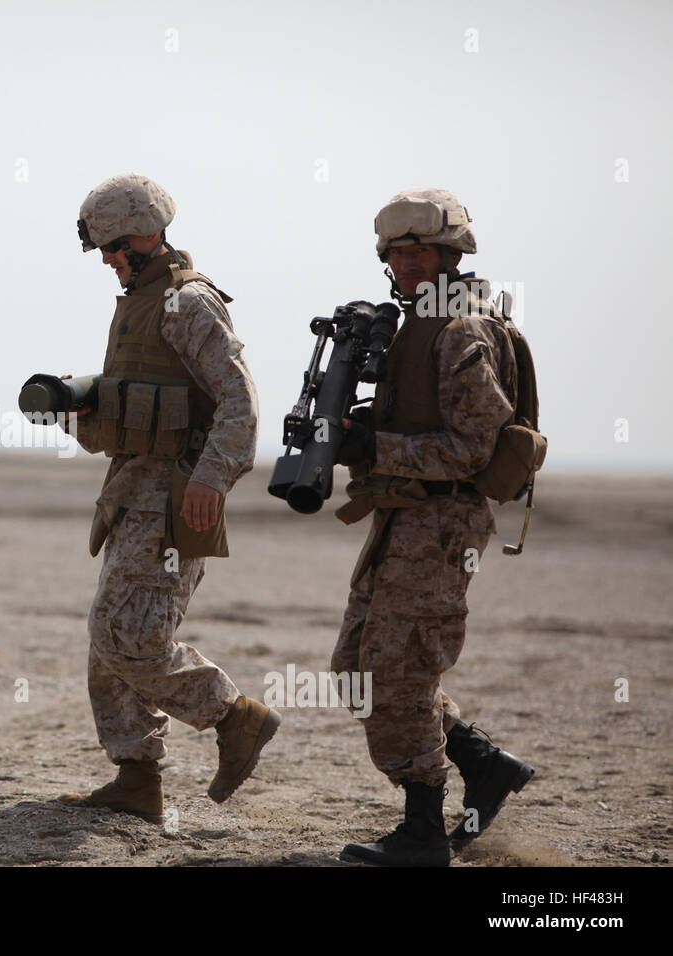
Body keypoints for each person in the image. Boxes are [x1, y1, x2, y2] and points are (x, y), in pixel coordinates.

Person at [55, 173, 278, 824]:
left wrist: (211, 479)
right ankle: (136, 777)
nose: (107, 259)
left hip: (176, 492)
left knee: (130, 634)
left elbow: (240, 402)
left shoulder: (188, 303)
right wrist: (86, 402)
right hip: (133, 489)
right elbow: (147, 394)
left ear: (150, 234)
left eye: (116, 245)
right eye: (101, 247)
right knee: (109, 635)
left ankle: (233, 715)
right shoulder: (140, 301)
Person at [331, 188, 536, 866]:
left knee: (395, 675)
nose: (406, 263)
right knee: (360, 666)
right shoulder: (422, 320)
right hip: (405, 517)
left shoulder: (460, 328)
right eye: (395, 252)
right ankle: (484, 765)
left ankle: (423, 833)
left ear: (451, 252)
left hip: (442, 524)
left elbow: (474, 446)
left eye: (419, 250)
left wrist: (376, 449)